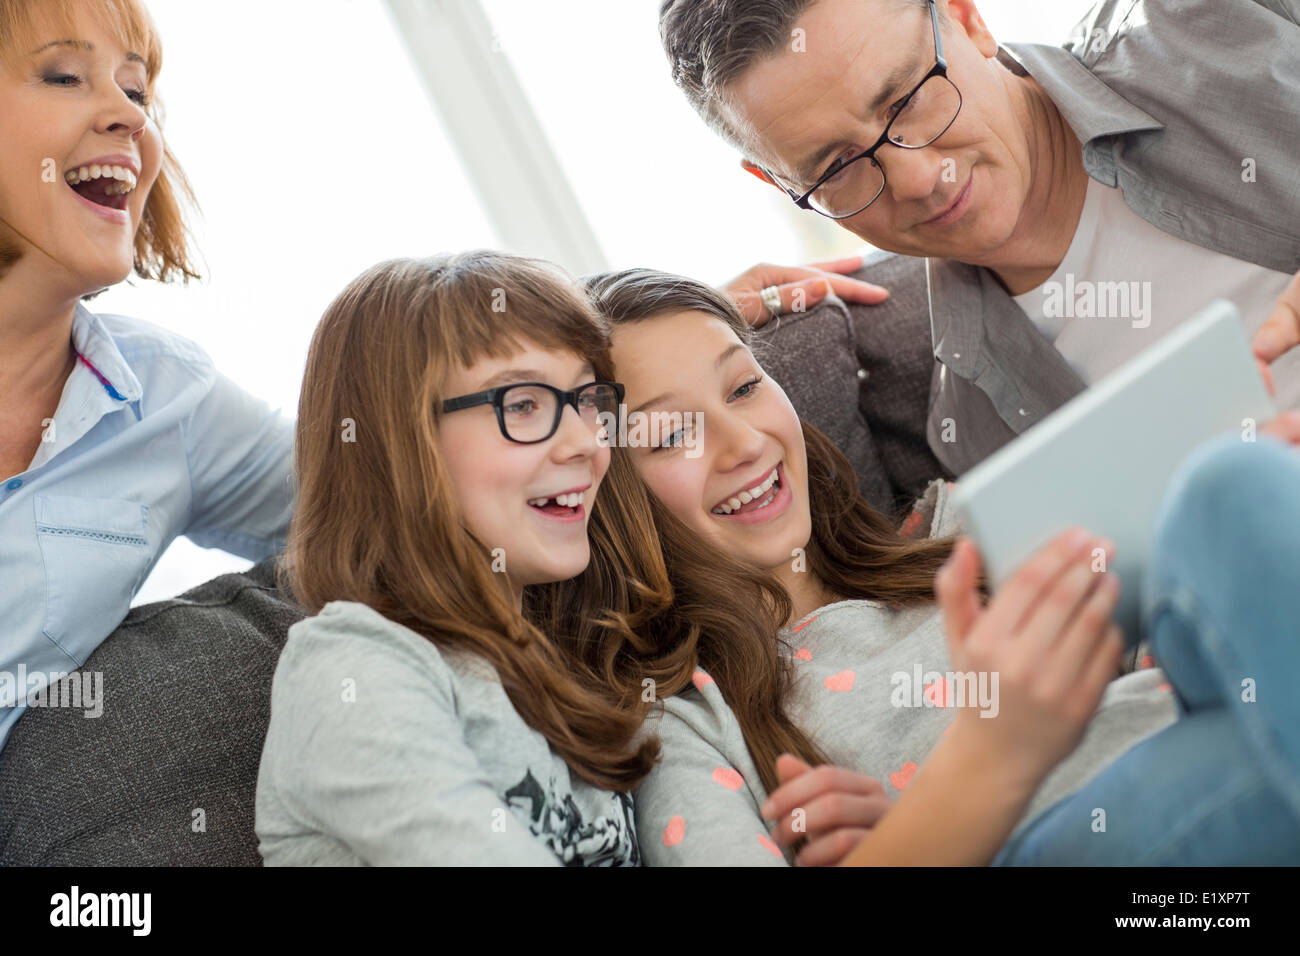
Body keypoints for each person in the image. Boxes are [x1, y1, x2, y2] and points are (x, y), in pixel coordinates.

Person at [578, 265, 1300, 865]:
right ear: (606, 494)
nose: (742, 444)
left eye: (742, 387)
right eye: (674, 433)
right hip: (1066, 839)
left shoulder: (958, 527)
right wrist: (910, 836)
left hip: (1225, 736)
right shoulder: (679, 718)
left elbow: (1172, 648)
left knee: (1225, 485)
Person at [658, 0, 1300, 473]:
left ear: (967, 18)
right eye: (837, 169)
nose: (914, 176)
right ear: (778, 185)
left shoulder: (1232, 21)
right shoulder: (978, 431)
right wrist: (684, 332)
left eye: (907, 98)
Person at [254, 251, 675, 866]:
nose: (588, 442)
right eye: (523, 404)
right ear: (400, 445)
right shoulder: (353, 665)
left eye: (587, 400)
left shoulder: (560, 652)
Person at [0, 0, 293, 751]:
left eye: (137, 92)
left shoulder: (167, 398)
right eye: (65, 76)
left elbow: (398, 504)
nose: (127, 117)